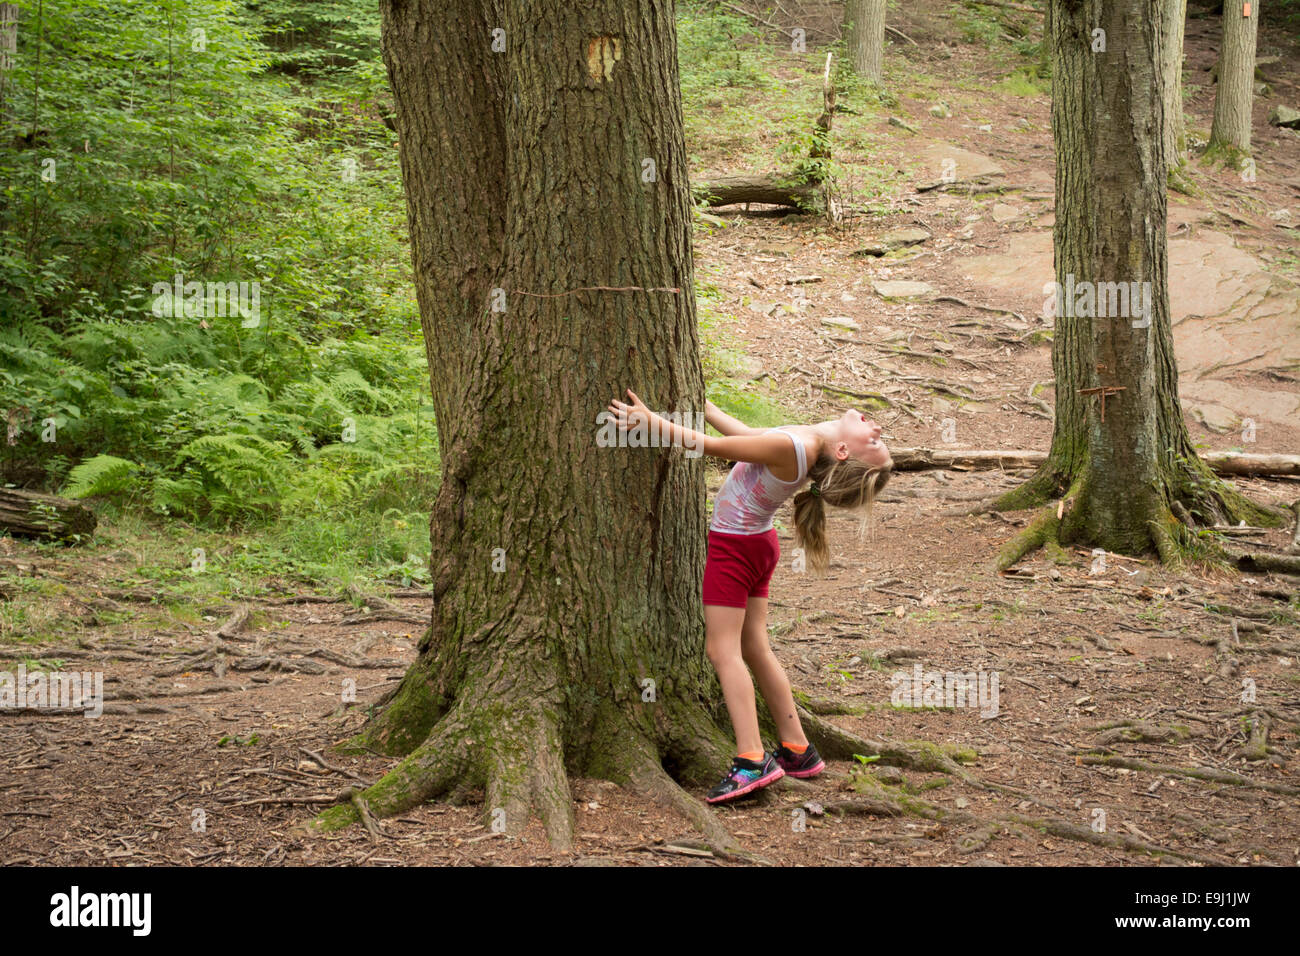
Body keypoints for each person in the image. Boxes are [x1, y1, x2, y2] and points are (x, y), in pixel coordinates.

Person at [606, 390, 893, 803]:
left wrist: (652, 422)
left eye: (876, 442)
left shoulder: (796, 447)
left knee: (723, 651)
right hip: (758, 543)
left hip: (735, 548)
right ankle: (796, 746)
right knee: (755, 646)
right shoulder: (804, 442)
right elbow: (743, 434)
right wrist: (706, 406)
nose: (878, 428)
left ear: (844, 451)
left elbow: (714, 447)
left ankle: (751, 759)